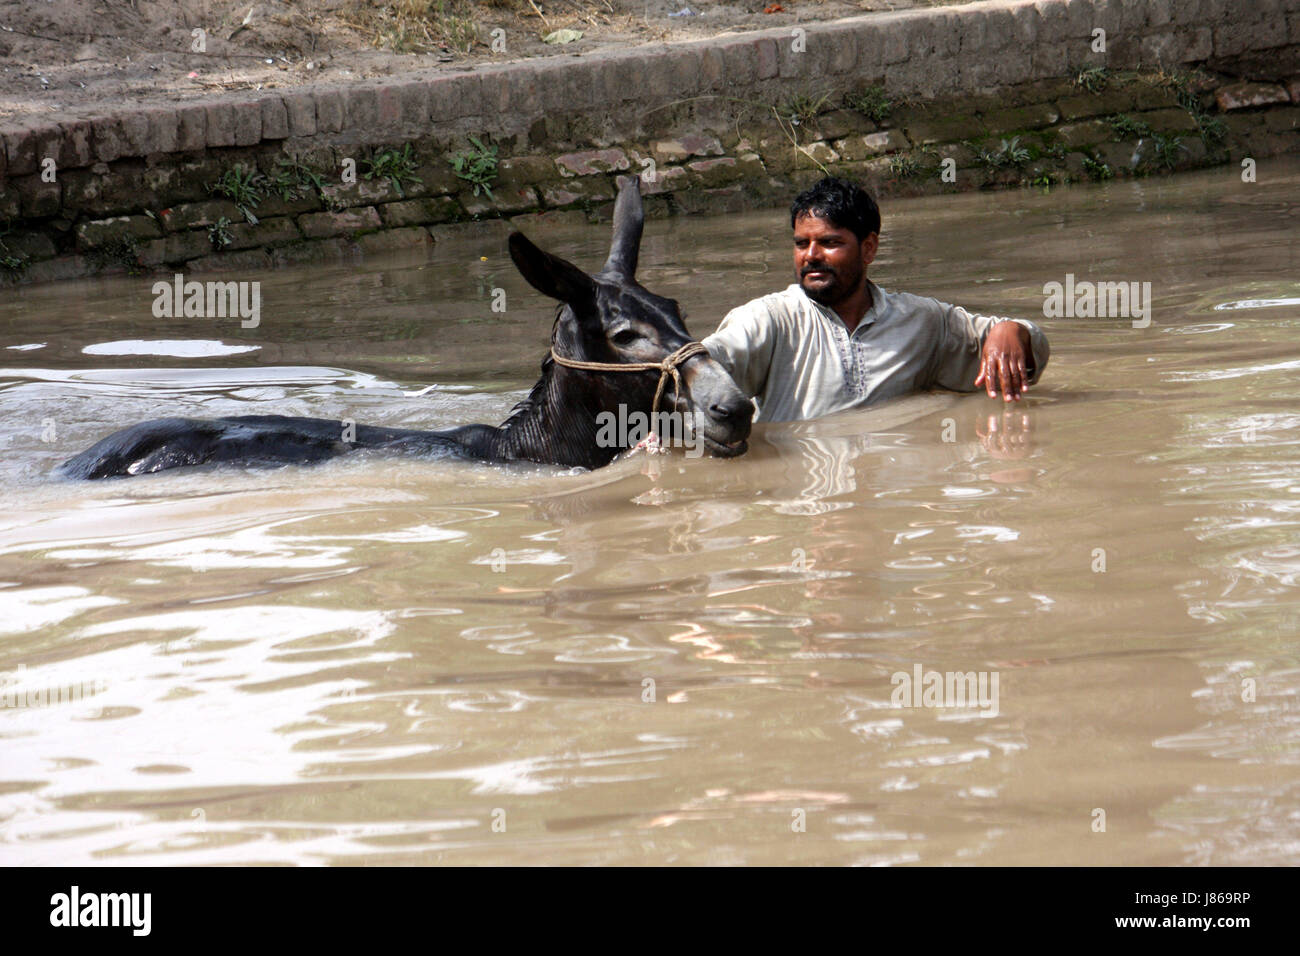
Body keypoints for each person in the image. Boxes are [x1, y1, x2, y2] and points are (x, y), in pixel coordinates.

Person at [701, 177, 1050, 423]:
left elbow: (1029, 347)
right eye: (800, 243)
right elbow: (699, 371)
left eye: (829, 243)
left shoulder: (919, 320)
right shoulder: (770, 319)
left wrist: (1010, 330)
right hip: (803, 506)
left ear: (868, 248)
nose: (810, 255)